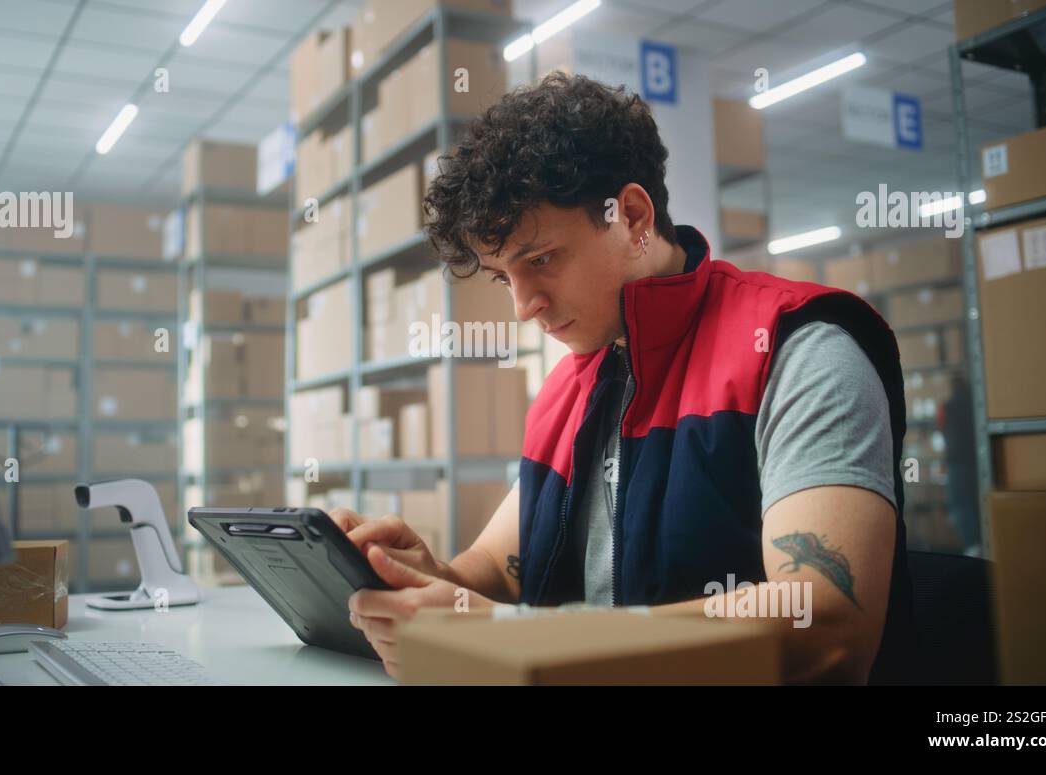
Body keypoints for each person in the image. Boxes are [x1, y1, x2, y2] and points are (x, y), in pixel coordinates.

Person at [335, 72, 915, 684]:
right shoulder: (568, 388)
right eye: (506, 277)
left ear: (633, 215)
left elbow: (826, 624)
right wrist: (431, 582)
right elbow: (497, 568)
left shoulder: (799, 348)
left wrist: (515, 634)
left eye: (541, 260)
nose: (523, 306)